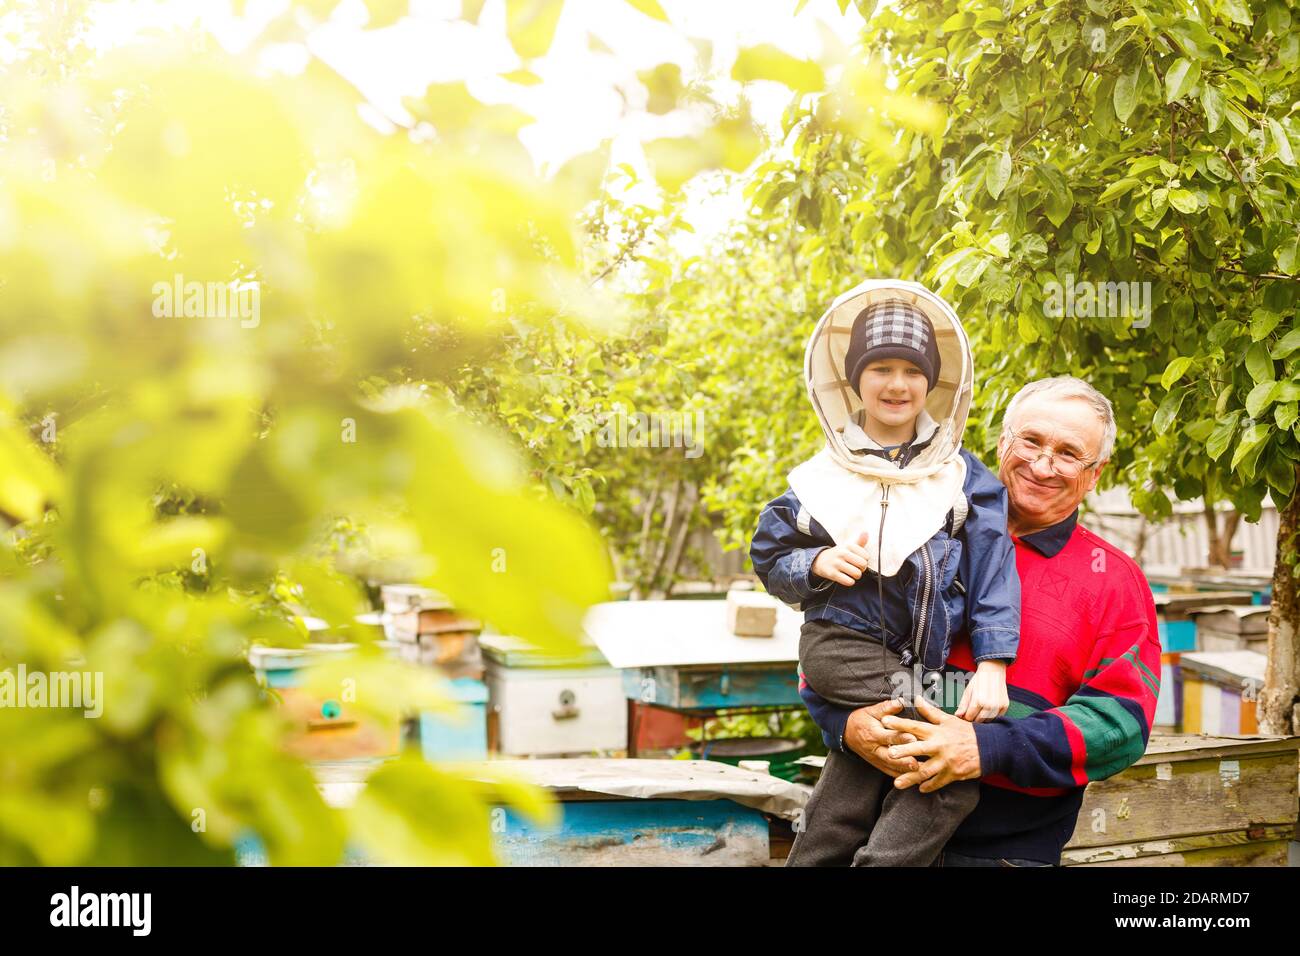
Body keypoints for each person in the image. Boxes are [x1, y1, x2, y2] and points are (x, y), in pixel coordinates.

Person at [797, 375, 1162, 867]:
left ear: (1095, 473)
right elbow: (835, 646)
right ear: (1003, 442)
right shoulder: (913, 530)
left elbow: (1119, 724)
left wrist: (985, 747)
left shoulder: (1113, 581)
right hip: (857, 829)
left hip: (1000, 855)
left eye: (1068, 453)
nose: (1043, 465)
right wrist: (844, 725)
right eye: (1030, 441)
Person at [749, 280, 1020, 867]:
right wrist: (814, 563)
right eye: (881, 368)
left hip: (923, 662)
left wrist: (994, 663)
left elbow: (994, 570)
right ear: (855, 379)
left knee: (861, 770)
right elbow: (769, 555)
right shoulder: (820, 478)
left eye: (912, 370)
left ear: (932, 382)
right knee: (949, 775)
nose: (898, 384)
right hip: (842, 647)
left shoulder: (961, 478)